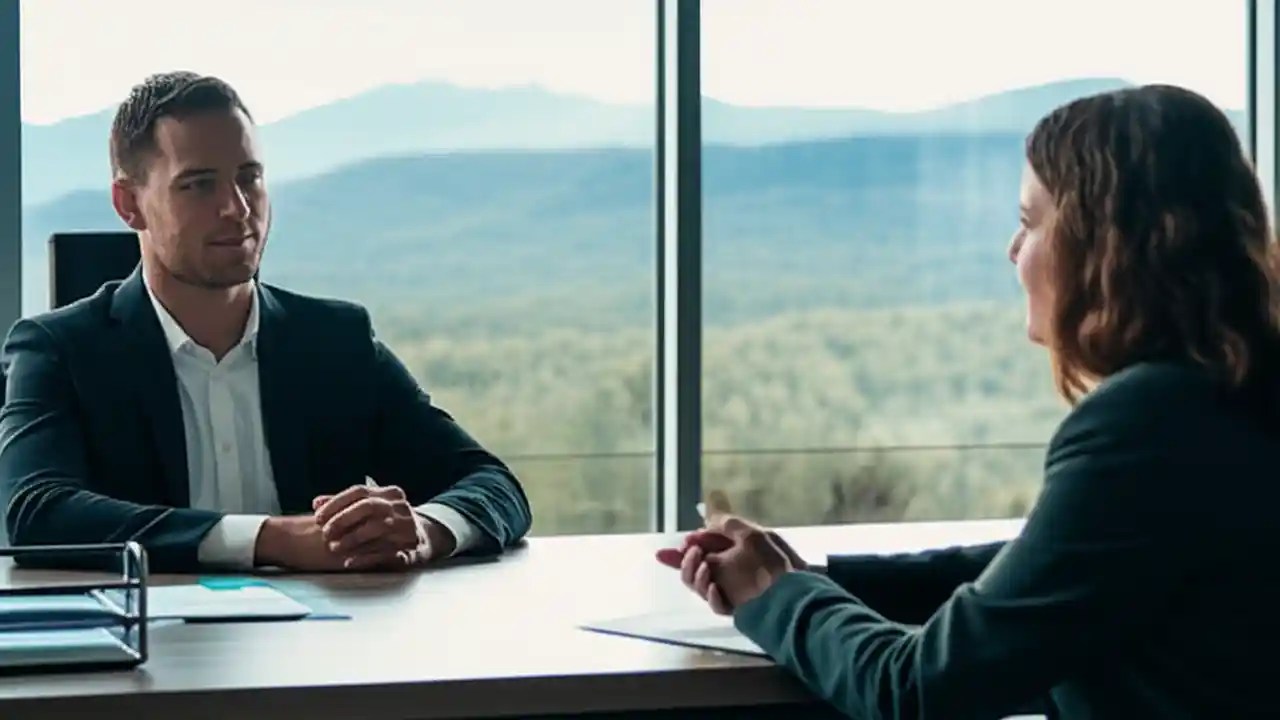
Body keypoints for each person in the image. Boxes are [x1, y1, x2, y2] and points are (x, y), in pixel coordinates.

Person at [658, 84, 1280, 718]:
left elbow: (915, 689)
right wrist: (816, 581)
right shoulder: (1234, 394)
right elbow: (1049, 569)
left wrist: (773, 595)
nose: (1013, 250)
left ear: (1105, 245)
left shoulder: (1147, 425)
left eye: (1029, 222)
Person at [0, 72, 531, 573]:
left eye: (249, 178)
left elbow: (492, 484)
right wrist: (273, 539)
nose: (236, 208)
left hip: (325, 635)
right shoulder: (58, 350)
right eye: (199, 185)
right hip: (154, 635)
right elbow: (36, 512)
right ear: (129, 204)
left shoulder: (335, 341)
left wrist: (424, 531)